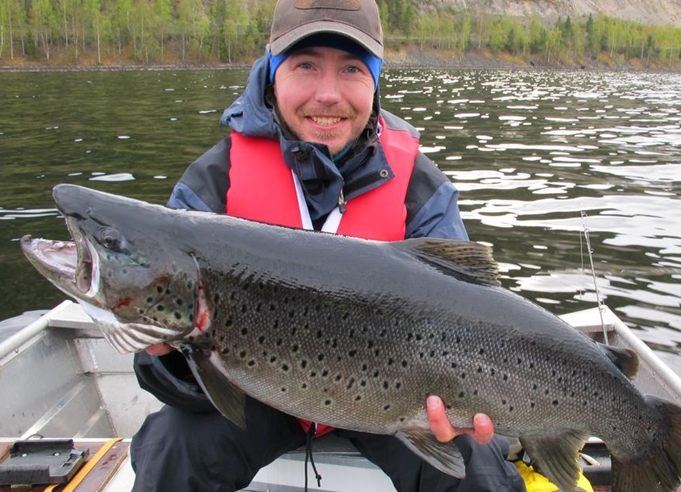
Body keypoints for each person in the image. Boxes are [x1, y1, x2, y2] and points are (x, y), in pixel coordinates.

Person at [128, 1, 528, 491]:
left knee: (478, 465)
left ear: (376, 82)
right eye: (306, 65)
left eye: (353, 69)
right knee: (173, 445)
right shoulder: (213, 184)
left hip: (394, 395)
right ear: (272, 72)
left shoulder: (422, 190)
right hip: (260, 394)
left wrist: (464, 401)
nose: (328, 94)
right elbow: (165, 366)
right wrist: (167, 355)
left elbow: (474, 312)